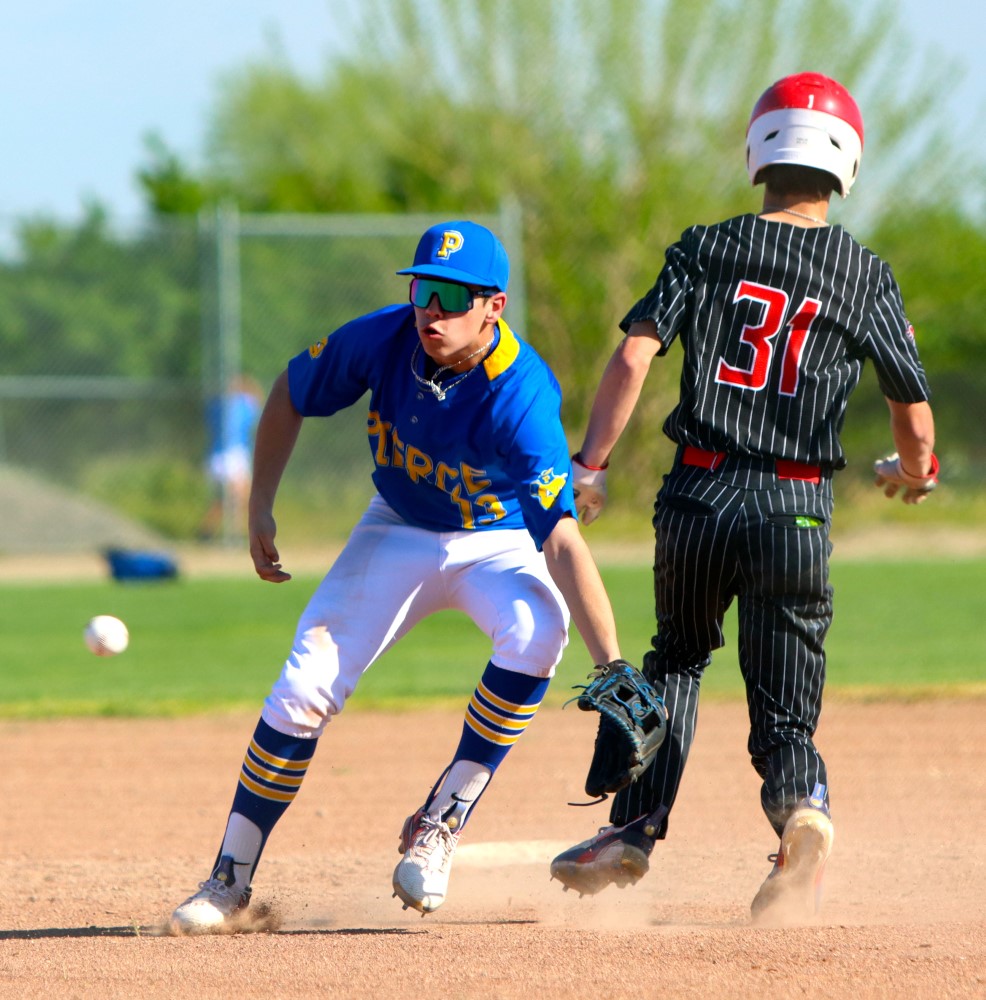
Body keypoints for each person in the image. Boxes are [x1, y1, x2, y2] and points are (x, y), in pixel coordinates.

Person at [548, 73, 938, 924]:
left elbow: (634, 356)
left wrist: (592, 464)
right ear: (848, 164)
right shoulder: (864, 273)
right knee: (783, 706)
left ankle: (634, 830)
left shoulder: (707, 246)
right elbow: (912, 409)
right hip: (795, 509)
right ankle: (801, 813)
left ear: (760, 151)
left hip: (697, 492)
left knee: (679, 659)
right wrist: (914, 473)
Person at [170, 220, 628, 933]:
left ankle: (440, 821)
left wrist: (614, 664)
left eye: (452, 295)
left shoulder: (522, 394)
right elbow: (290, 392)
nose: (431, 309)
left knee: (539, 630)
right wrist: (259, 501)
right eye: (422, 289)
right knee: (302, 688)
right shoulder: (383, 338)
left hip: (497, 539)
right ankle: (229, 879)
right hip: (399, 526)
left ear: (494, 306)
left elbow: (562, 538)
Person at [199, 375, 264, 540]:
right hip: (234, 455)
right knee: (240, 498)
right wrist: (246, 385)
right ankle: (235, 535)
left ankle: (206, 532)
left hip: (217, 456)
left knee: (224, 500)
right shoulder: (242, 406)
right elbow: (258, 398)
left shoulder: (216, 405)